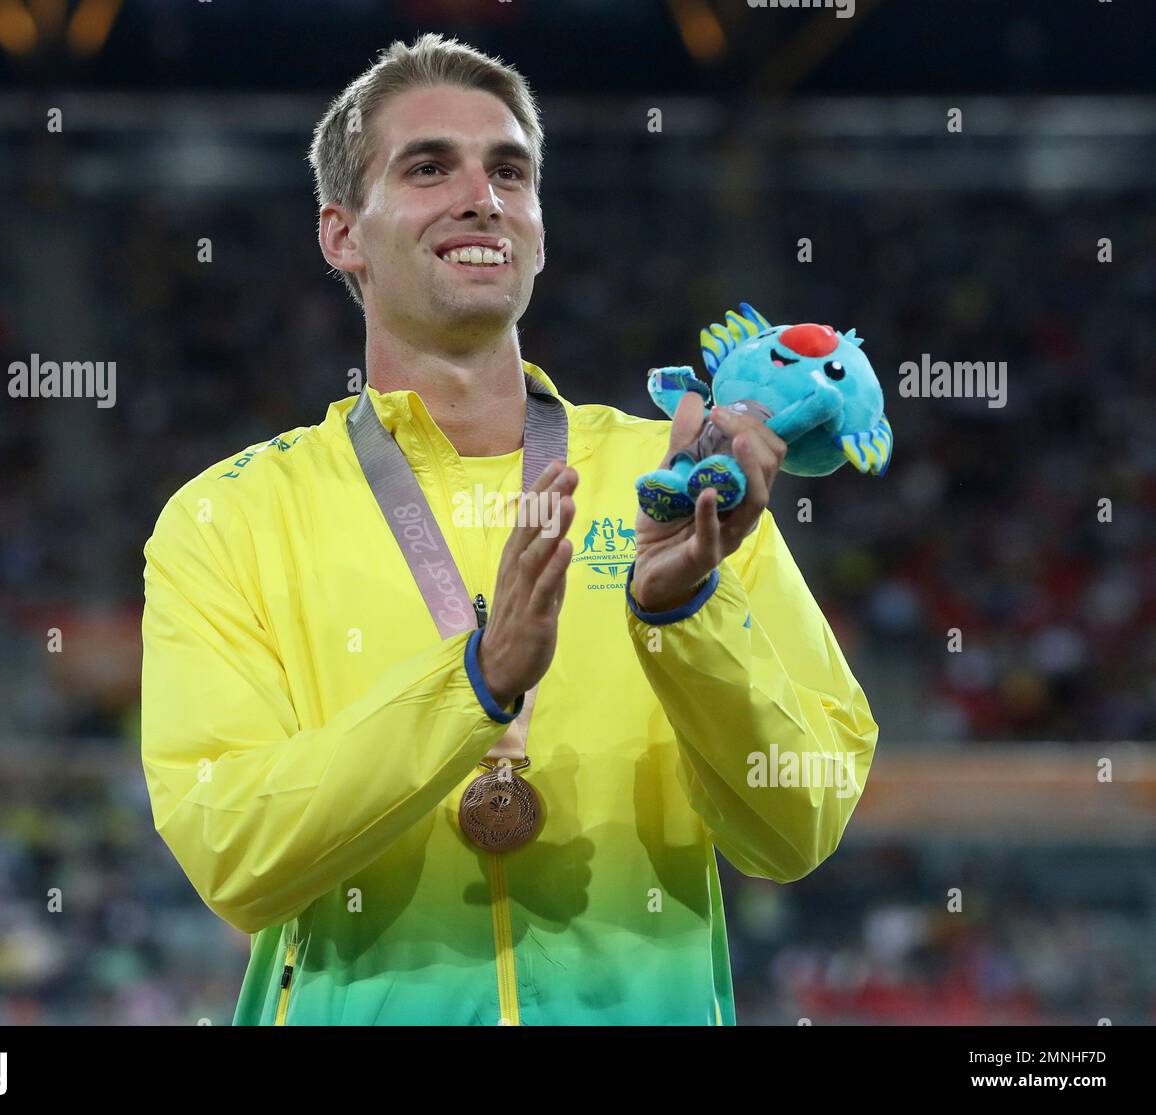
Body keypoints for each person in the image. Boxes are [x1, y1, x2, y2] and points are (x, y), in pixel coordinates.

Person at [140, 32, 878, 1026]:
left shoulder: (676, 474)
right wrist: (473, 686)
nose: (480, 195)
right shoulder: (228, 516)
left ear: (535, 227)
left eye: (509, 171)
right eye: (428, 166)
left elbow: (800, 821)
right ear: (341, 235)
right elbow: (233, 852)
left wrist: (686, 617)